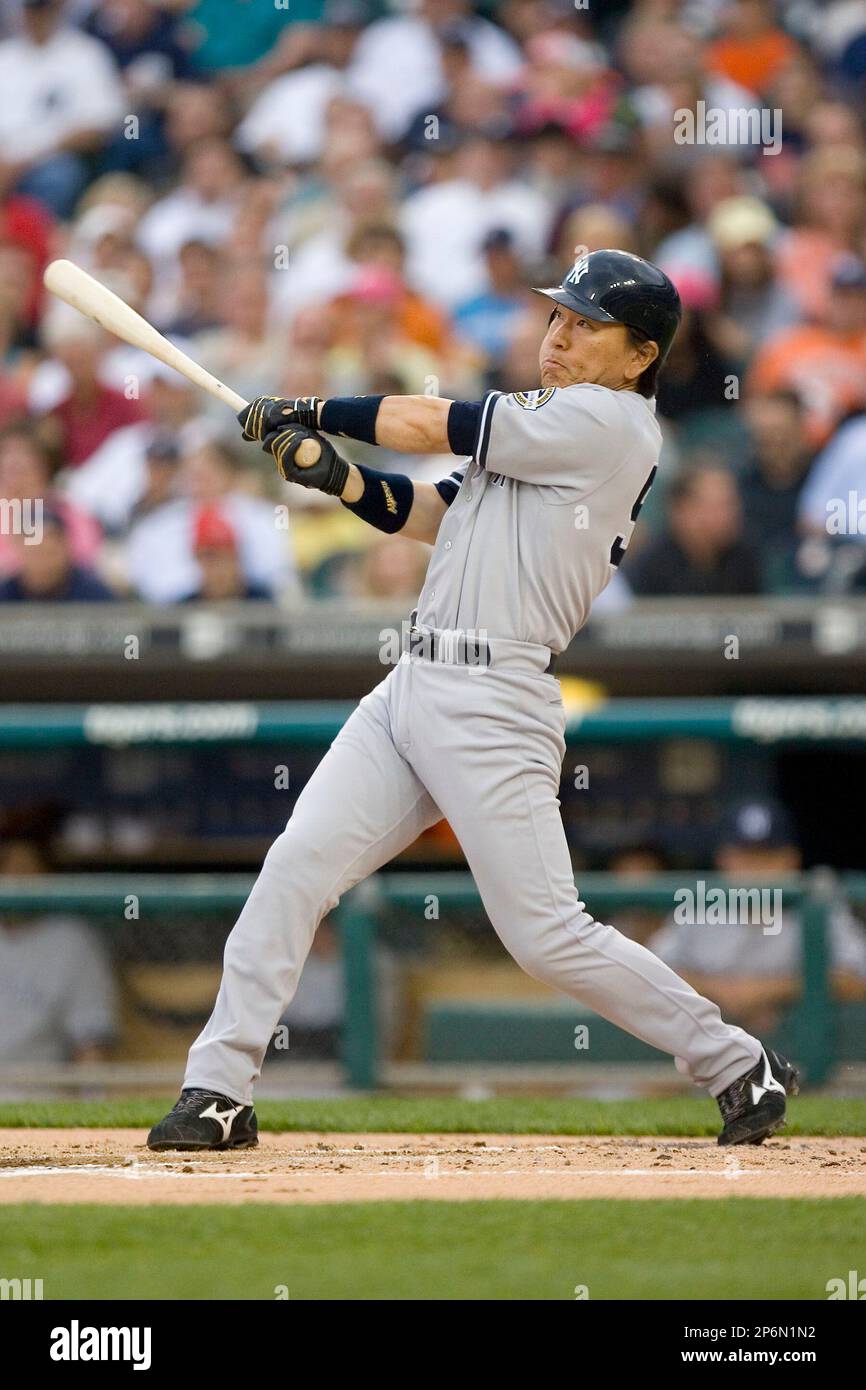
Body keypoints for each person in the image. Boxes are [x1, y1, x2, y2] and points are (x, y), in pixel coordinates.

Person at [148, 247, 798, 1156]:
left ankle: (735, 1060)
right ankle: (218, 1087)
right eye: (557, 319)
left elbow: (428, 419)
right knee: (296, 867)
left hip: (497, 696)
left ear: (641, 355)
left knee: (544, 936)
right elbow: (433, 512)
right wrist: (333, 474)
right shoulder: (549, 427)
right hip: (413, 681)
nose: (559, 337)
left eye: (585, 325)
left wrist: (308, 408)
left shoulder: (610, 424)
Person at [649, 799, 866, 1037]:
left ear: (791, 858)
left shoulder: (817, 903)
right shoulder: (700, 905)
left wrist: (770, 990)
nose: (755, 869)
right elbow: (649, 973)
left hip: (801, 1055)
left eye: (767, 856)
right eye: (744, 856)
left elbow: (856, 980)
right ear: (723, 858)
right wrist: (721, 990)